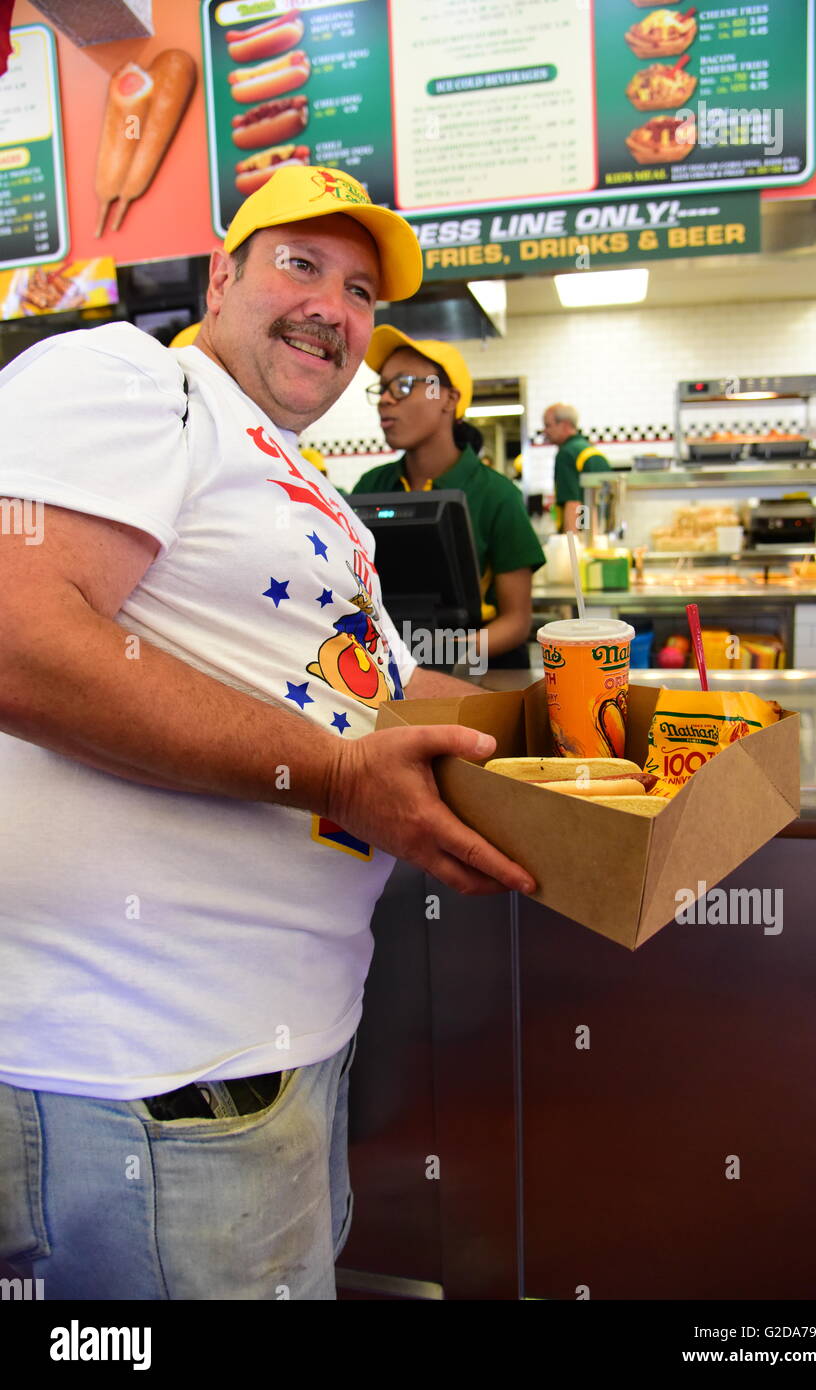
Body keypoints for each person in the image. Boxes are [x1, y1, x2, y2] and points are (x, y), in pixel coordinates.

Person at [0, 165, 535, 1302]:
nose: (331, 311)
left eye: (359, 293)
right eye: (300, 264)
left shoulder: (304, 483)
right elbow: (18, 641)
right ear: (221, 275)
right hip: (152, 1080)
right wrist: (344, 770)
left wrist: (547, 740)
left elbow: (355, 690)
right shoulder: (132, 380)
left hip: (278, 1054)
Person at [352, 328, 545, 669]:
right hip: (387, 669)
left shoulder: (497, 494)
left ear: (449, 399)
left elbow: (516, 621)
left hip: (480, 672)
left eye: (403, 385)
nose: (386, 398)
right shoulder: (371, 486)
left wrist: (444, 655)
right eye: (382, 388)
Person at [542, 402, 610, 532]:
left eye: (548, 425)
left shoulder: (567, 453)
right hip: (601, 532)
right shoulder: (590, 450)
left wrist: (571, 548)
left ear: (565, 425)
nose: (545, 431)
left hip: (582, 535)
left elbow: (572, 504)